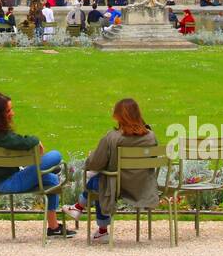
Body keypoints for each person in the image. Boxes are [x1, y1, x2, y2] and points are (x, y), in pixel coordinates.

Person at [0, 92, 73, 238]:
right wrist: (36, 140)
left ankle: (53, 227)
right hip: (10, 182)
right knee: (56, 155)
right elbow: (23, 142)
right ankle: (53, 225)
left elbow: (17, 141)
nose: (13, 113)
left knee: (51, 180)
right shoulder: (3, 137)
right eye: (8, 110)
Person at [64, 98, 158, 241]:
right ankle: (80, 210)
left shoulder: (113, 137)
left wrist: (91, 158)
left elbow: (95, 163)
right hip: (142, 186)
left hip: (116, 187)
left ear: (118, 116)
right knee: (102, 180)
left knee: (100, 182)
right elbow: (152, 161)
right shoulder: (151, 137)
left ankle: (90, 218)